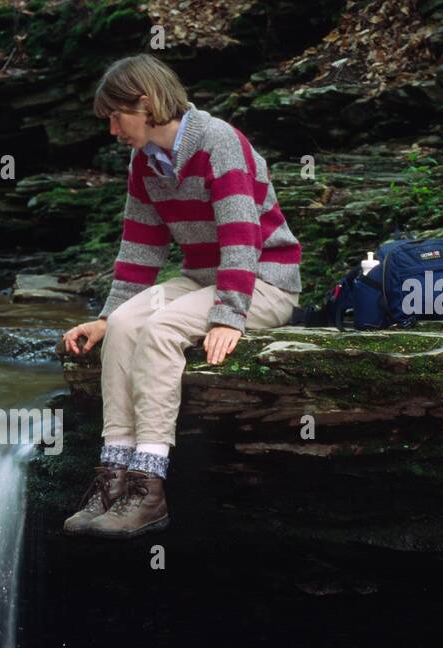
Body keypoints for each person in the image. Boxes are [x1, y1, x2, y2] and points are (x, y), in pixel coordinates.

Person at [61, 54, 303, 539]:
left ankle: (148, 491)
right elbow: (140, 248)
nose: (112, 130)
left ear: (145, 103)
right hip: (201, 278)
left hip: (264, 282)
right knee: (129, 326)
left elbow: (241, 236)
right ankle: (113, 478)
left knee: (161, 328)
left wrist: (229, 317)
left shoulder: (218, 142)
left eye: (116, 116)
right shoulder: (144, 161)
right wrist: (109, 317)